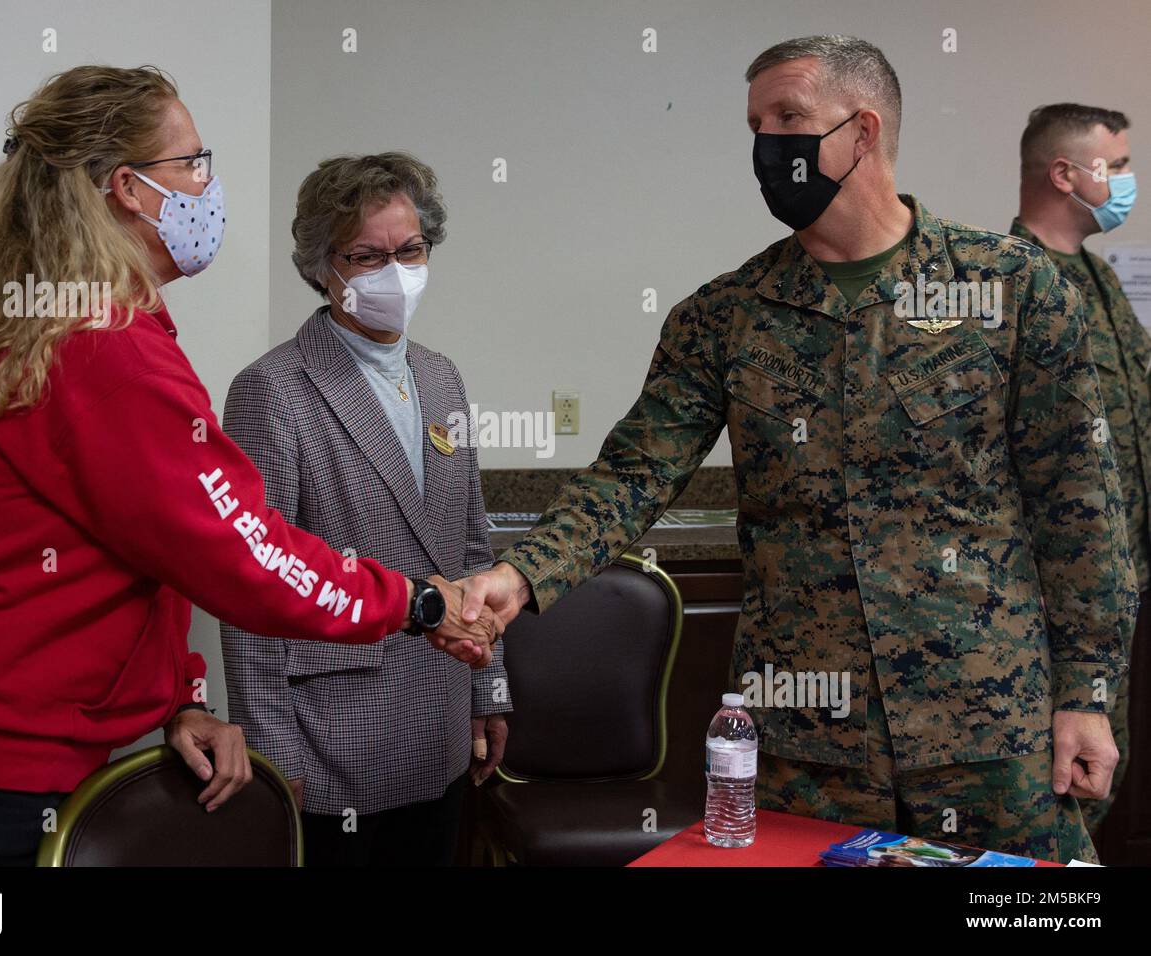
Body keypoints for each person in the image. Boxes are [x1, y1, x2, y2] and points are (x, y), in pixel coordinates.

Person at [459, 35, 1135, 863]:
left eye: (789, 118)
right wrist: (519, 576)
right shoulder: (727, 315)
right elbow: (632, 477)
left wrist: (1088, 694)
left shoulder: (1013, 288)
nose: (767, 146)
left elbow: (1081, 515)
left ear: (863, 131)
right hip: (809, 740)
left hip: (990, 725)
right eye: (755, 125)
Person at [0, 65, 494, 867]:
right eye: (191, 163)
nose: (207, 184)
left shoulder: (62, 316)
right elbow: (242, 554)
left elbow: (146, 553)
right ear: (127, 187)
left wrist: (178, 702)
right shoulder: (101, 343)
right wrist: (412, 602)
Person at [220, 152, 511, 866]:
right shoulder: (272, 391)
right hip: (330, 738)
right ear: (324, 267)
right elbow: (251, 585)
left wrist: (491, 685)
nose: (395, 271)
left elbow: (473, 542)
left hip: (439, 725)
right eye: (367, 256)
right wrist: (268, 749)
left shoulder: (441, 378)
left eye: (409, 250)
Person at [1011, 103, 1146, 836]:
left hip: (1113, 588)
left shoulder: (1096, 278)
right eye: (1117, 166)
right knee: (1053, 798)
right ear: (1065, 174)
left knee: (1098, 787)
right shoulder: (1013, 285)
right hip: (1043, 602)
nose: (1129, 181)